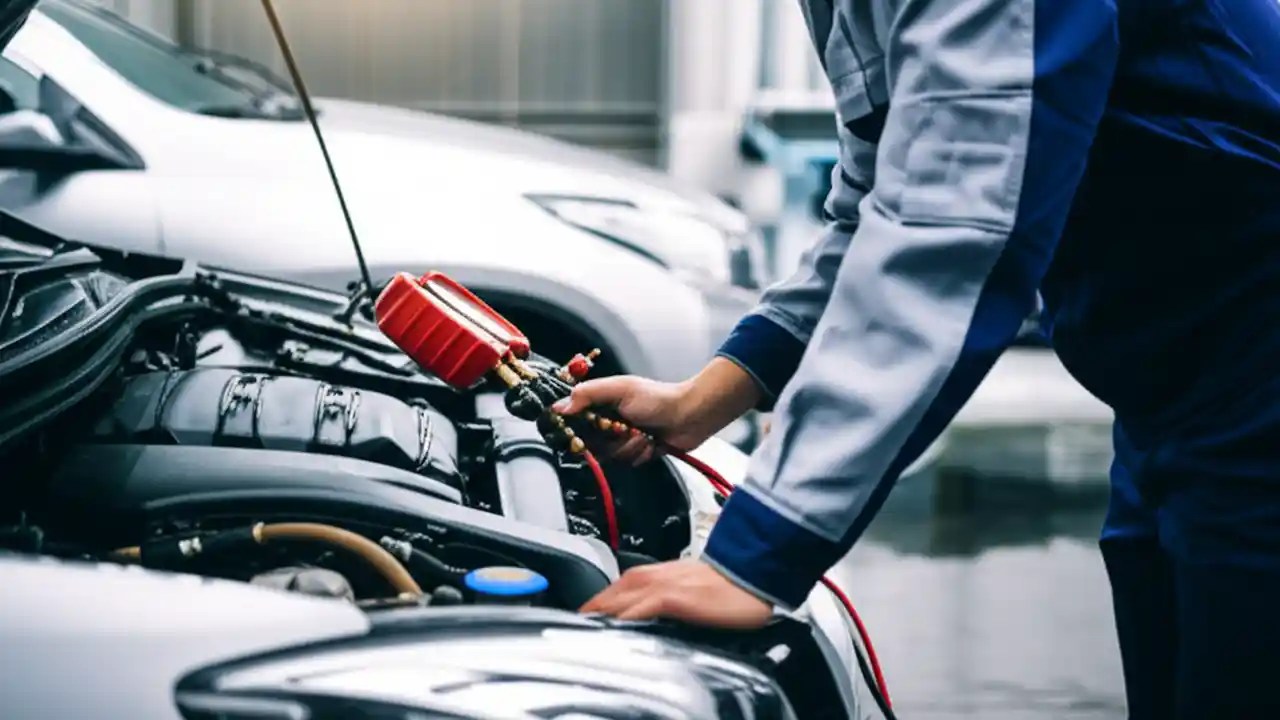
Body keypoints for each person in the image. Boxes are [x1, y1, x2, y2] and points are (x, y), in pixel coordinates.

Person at [557, 1, 1280, 717]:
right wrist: (702, 401)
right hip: (1175, 391)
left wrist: (755, 555)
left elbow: (952, 224)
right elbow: (882, 200)